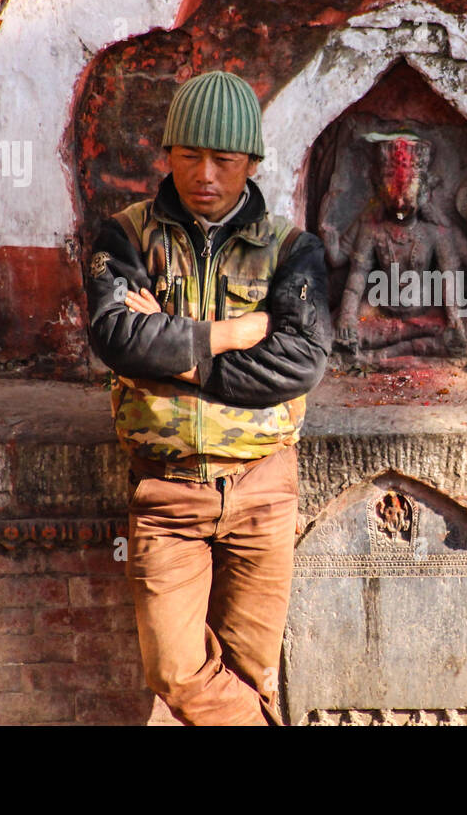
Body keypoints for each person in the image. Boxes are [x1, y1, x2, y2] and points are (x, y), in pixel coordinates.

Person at [85, 70, 332, 725]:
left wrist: (184, 361)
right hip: (167, 495)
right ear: (169, 155)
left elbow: (298, 364)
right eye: (189, 155)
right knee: (175, 671)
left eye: (223, 159)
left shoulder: (292, 251)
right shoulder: (126, 237)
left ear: (250, 162)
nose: (205, 174)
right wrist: (228, 335)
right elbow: (117, 335)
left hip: (262, 491)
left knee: (253, 677)